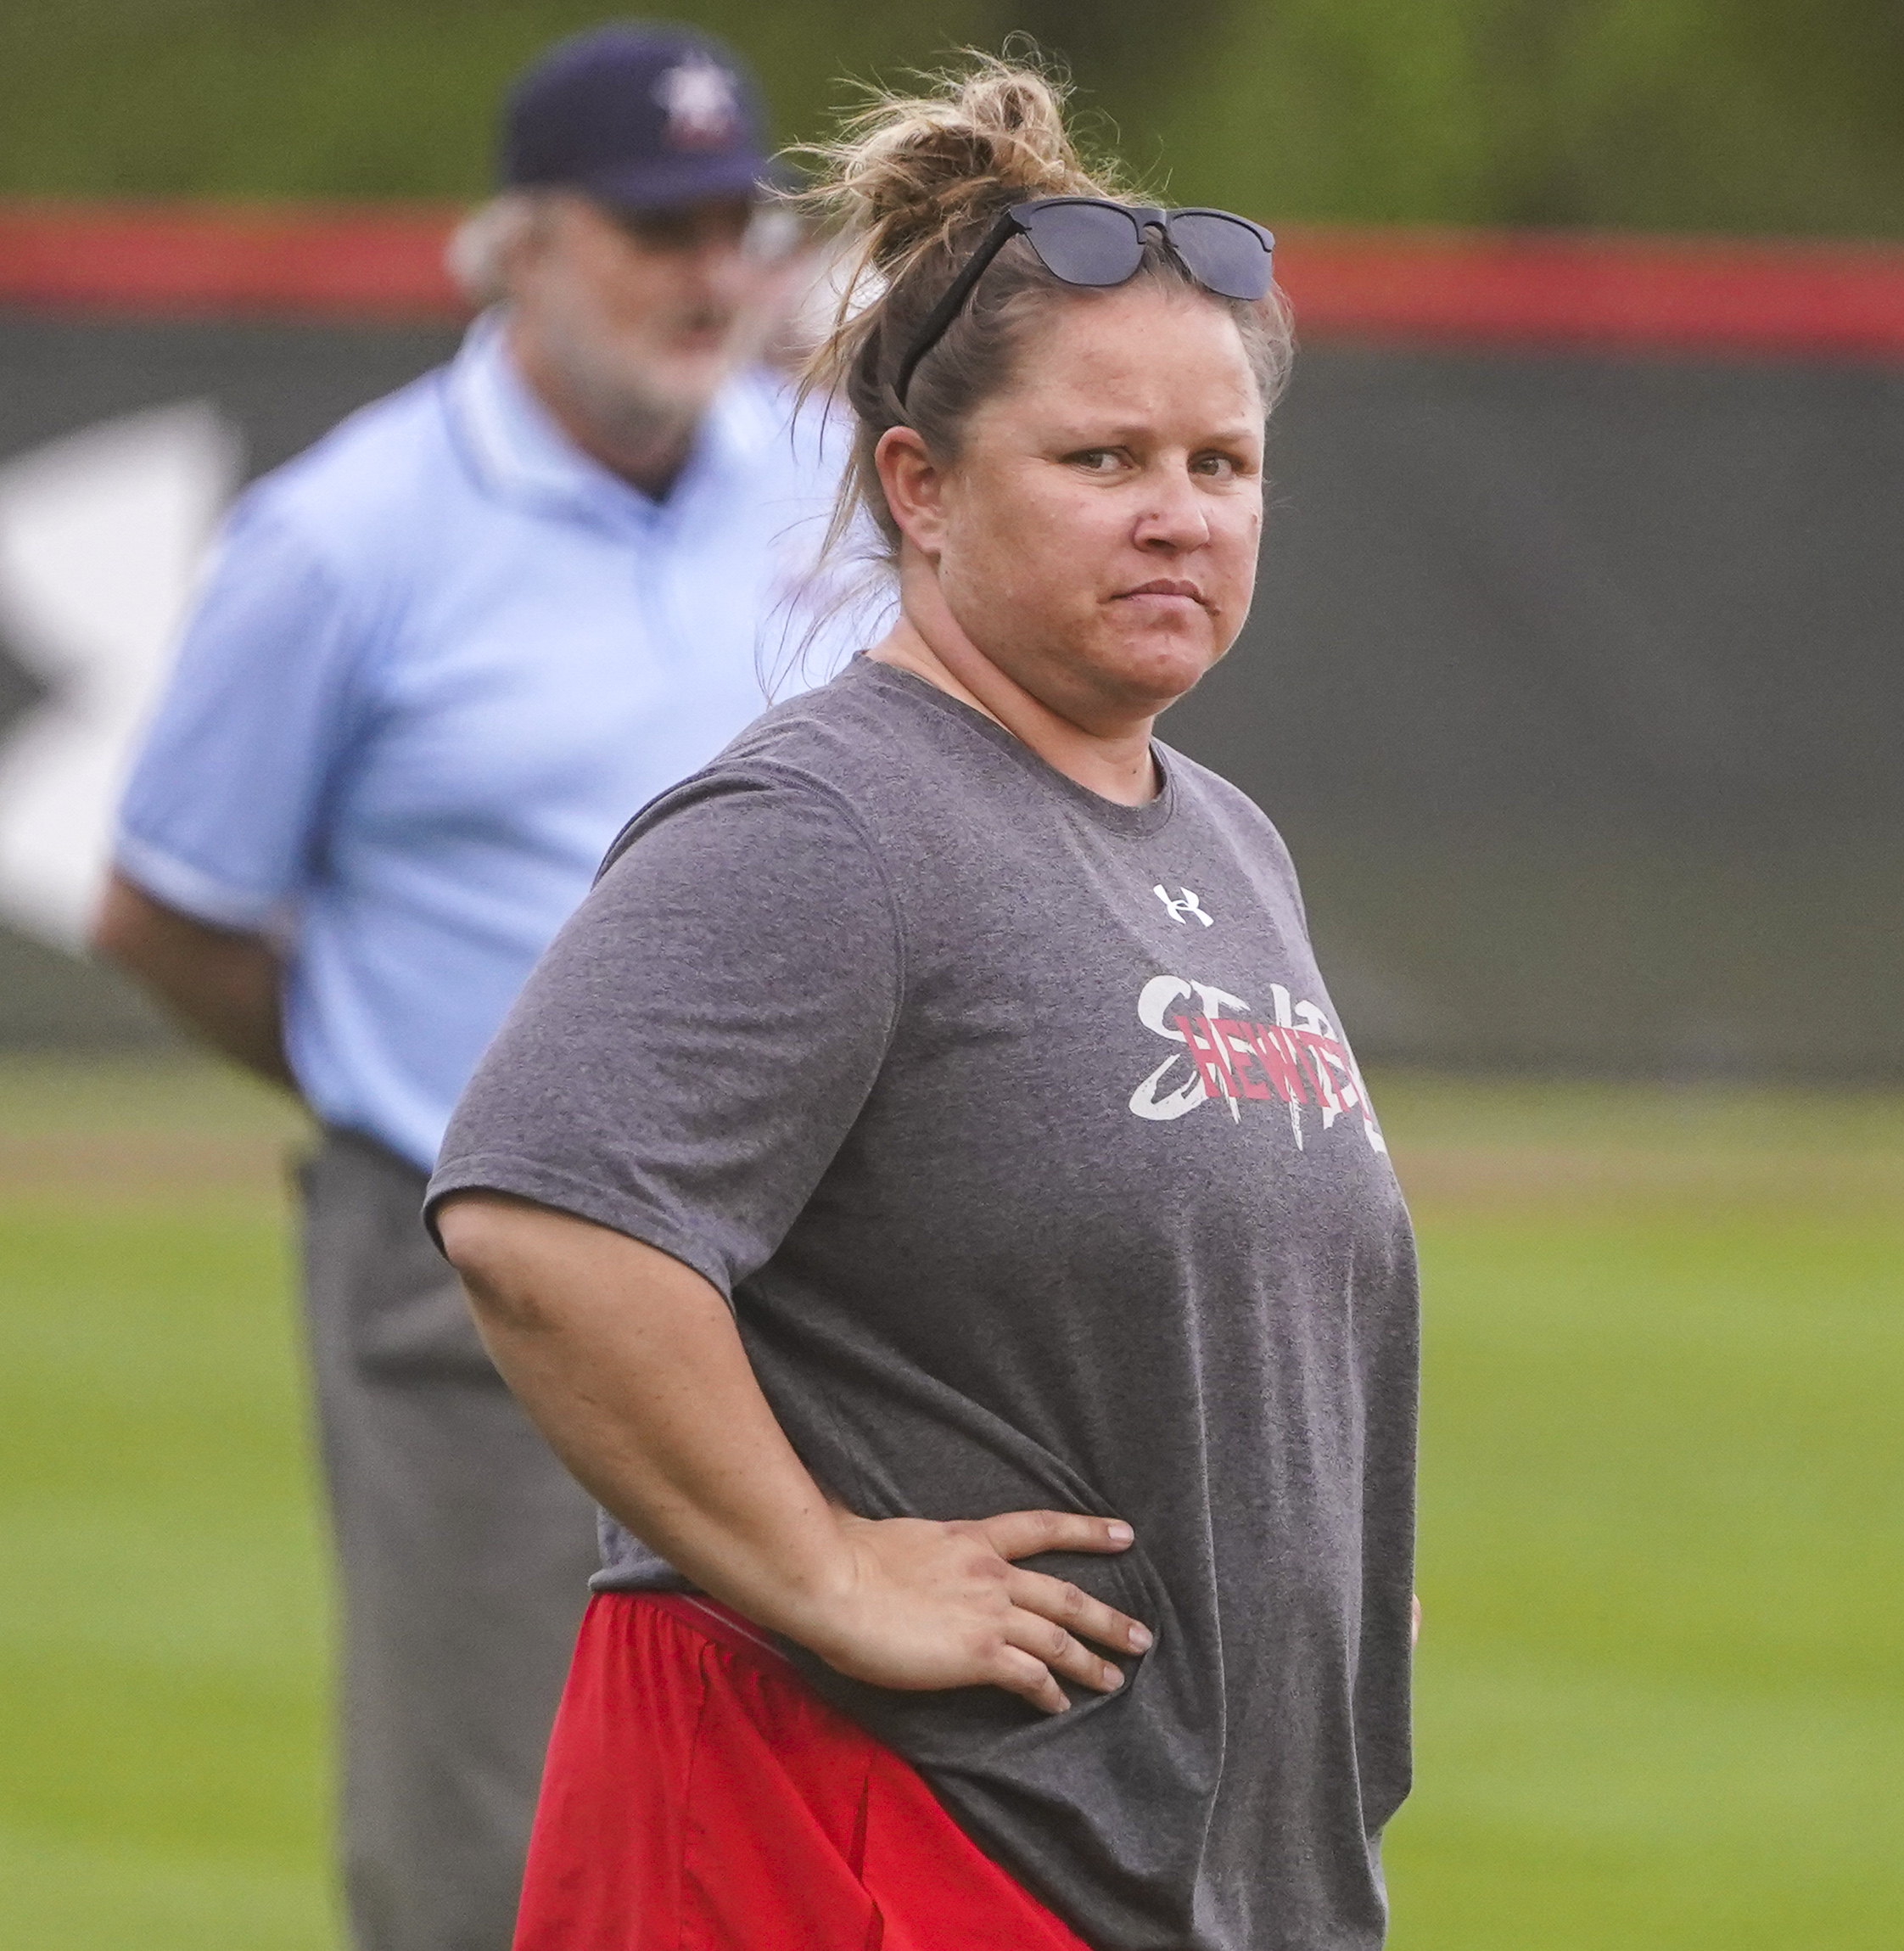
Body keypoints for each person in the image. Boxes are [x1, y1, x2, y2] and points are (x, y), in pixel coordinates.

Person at [427, 54, 1420, 1951]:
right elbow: (542, 1218)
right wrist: (822, 1568)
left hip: (1157, 1859)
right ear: (921, 485)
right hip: (868, 1838)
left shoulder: (1220, 832)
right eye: (1101, 460)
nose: (1177, 516)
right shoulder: (827, 819)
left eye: (1219, 466)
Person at [91, 22, 867, 1951]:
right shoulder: (347, 538)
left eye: (729, 221)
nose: (707, 270)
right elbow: (169, 903)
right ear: (517, 242)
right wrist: (424, 1100)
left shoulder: (828, 481)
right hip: (474, 1277)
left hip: (830, 1251)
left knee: (832, 1809)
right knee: (491, 1832)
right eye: (650, 226)